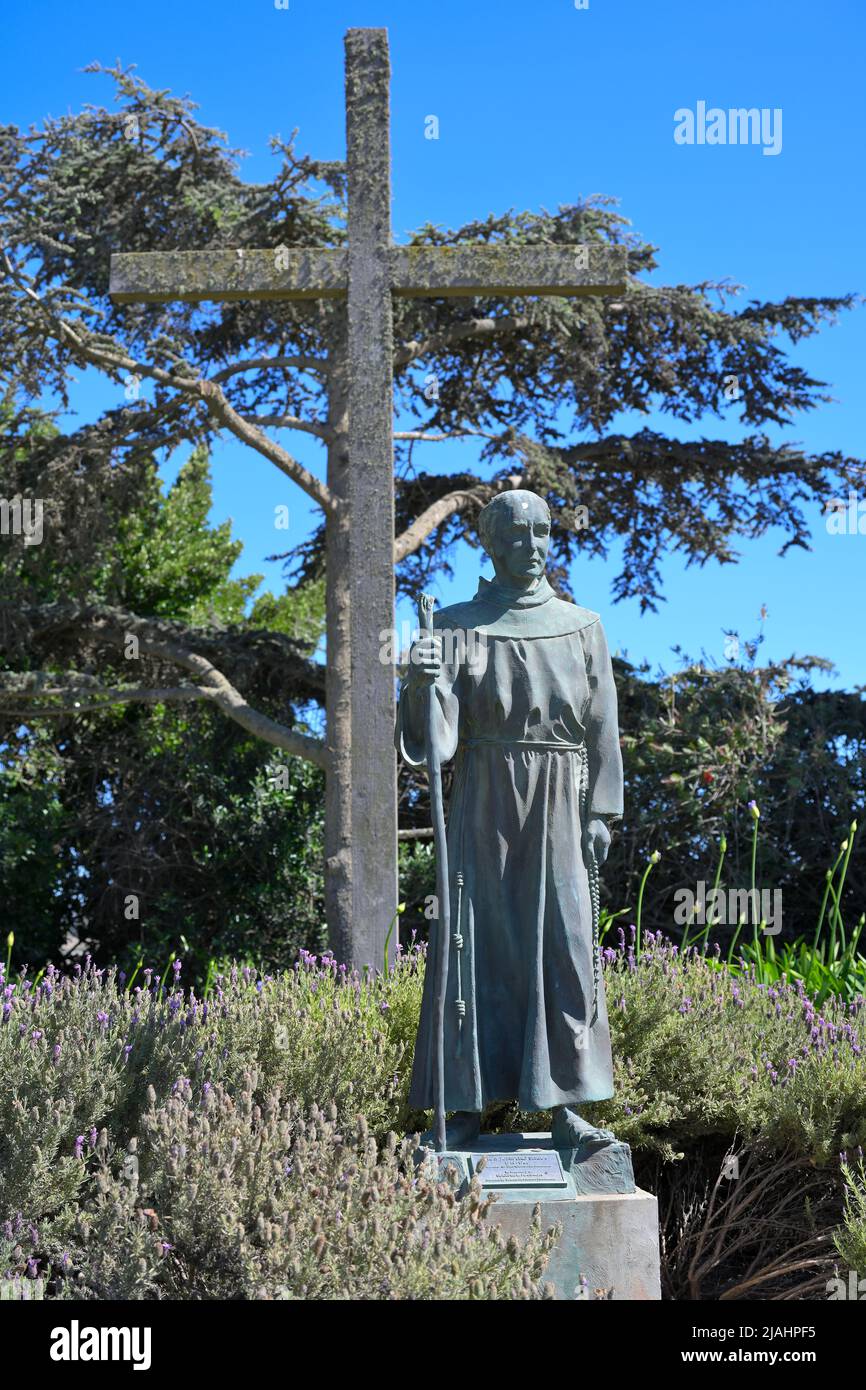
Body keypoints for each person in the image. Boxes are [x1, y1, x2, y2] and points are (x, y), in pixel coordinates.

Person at [396, 489, 624, 1152]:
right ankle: (460, 1106)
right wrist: (422, 681)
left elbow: (604, 727)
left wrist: (602, 811)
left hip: (561, 797)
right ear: (490, 544)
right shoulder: (457, 626)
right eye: (515, 535)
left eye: (541, 533)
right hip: (483, 798)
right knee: (472, 942)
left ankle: (569, 1105)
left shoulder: (584, 626)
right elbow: (434, 745)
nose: (531, 546)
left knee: (566, 944)